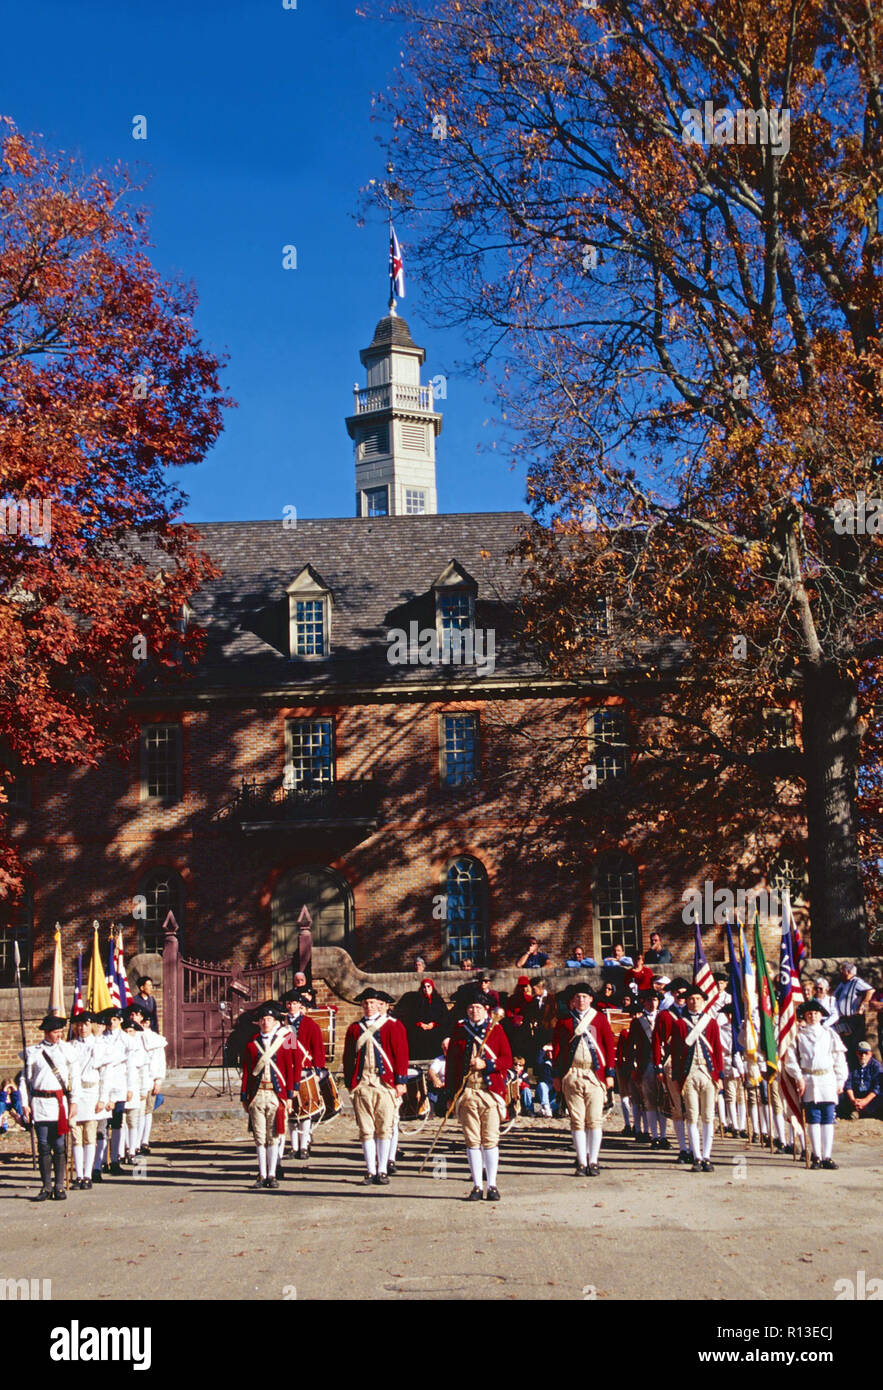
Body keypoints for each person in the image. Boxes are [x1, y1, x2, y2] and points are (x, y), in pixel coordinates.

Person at [445, 990, 513, 1201]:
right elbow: (451, 1065)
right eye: (470, 1008)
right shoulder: (460, 1030)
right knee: (472, 1140)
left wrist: (487, 1064)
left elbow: (507, 1059)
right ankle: (476, 1185)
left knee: (490, 1139)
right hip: (467, 1093)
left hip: (489, 1093)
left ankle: (491, 1185)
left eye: (478, 1008)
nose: (474, 1011)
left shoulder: (496, 1029)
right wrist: (450, 1093)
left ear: (486, 1010)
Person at [343, 988, 408, 1186]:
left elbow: (401, 1055)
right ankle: (370, 1170)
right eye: (365, 1003)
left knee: (384, 1128)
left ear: (379, 1005)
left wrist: (400, 1081)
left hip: (384, 1084)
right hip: (363, 1084)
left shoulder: (393, 1026)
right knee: (366, 1130)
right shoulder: (354, 1029)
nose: (369, 1006)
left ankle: (382, 1170)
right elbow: (348, 1058)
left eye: (372, 1003)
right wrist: (350, 1084)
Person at [553, 982, 616, 1175]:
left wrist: (609, 1074)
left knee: (594, 1120)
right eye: (577, 997)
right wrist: (557, 1075)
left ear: (591, 999)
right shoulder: (564, 1021)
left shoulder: (600, 1019)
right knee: (577, 1120)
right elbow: (557, 1049)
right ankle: (581, 1161)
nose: (581, 1000)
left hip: (594, 1075)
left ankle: (593, 1160)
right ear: (572, 1000)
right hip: (572, 1074)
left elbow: (609, 1046)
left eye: (585, 997)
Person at [783, 998, 848, 1169]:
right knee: (813, 1118)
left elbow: (839, 1058)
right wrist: (798, 1077)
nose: (813, 1016)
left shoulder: (829, 1034)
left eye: (816, 1013)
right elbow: (791, 1060)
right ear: (805, 1015)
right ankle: (816, 1156)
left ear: (821, 1016)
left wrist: (840, 1080)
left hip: (827, 1079)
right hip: (809, 1080)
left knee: (828, 1117)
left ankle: (827, 1156)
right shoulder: (799, 1036)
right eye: (809, 1013)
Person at [21, 1013, 78, 1201]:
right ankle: (46, 1186)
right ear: (46, 1032)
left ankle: (59, 1186)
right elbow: (24, 1081)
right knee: (44, 1146)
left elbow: (74, 1078)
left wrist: (74, 1102)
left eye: (61, 1031)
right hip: (39, 1103)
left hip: (59, 1103)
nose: (59, 1035)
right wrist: (25, 1104)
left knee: (59, 1145)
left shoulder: (67, 1051)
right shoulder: (33, 1053)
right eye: (55, 1032)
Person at [668, 983, 724, 1172]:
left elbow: (717, 1050)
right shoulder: (679, 1024)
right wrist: (676, 1078)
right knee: (692, 1115)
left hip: (708, 1073)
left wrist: (720, 1075)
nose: (694, 1002)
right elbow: (675, 1053)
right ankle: (697, 1157)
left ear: (703, 1001)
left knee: (708, 1116)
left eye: (698, 999)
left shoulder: (711, 1023)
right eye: (691, 999)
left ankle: (707, 1155)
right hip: (688, 1075)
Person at [240, 1001, 296, 1190]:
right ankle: (262, 1174)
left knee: (274, 1136)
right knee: (259, 1137)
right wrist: (244, 1096)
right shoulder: (251, 1044)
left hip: (276, 1094)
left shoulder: (285, 1040)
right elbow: (247, 1072)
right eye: (263, 1019)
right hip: (257, 1095)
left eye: (269, 1019)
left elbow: (290, 1068)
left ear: (275, 1022)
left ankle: (272, 1174)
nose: (266, 1022)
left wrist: (290, 1095)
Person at [279, 987, 327, 1167]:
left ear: (300, 1005)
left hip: (306, 1070)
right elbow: (287, 1050)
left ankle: (304, 1145)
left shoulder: (309, 1024)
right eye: (289, 1003)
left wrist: (318, 1069)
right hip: (289, 1071)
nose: (291, 1006)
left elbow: (318, 1048)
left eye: (295, 1003)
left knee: (306, 1110)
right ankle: (294, 1147)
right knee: (291, 1112)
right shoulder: (283, 1025)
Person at [626, 988, 669, 1149]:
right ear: (644, 1002)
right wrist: (633, 1067)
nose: (652, 1003)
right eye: (649, 1000)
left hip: (664, 1063)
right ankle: (654, 1136)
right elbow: (631, 1046)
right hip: (646, 1064)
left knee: (663, 1101)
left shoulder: (664, 1018)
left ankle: (663, 1136)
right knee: (650, 1101)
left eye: (655, 1000)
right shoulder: (637, 1022)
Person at [94, 1006, 134, 1176]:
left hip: (119, 1081)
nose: (112, 1023)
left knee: (117, 1122)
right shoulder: (101, 1039)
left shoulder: (126, 1039)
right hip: (103, 1083)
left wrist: (130, 1087)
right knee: (103, 1123)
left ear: (120, 1021)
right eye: (110, 1020)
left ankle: (115, 1158)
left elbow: (131, 1066)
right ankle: (102, 1160)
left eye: (115, 1020)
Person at [69, 1012, 101, 1190]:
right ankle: (78, 1175)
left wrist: (104, 1098)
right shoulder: (70, 1046)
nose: (82, 1028)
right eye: (80, 1024)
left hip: (91, 1092)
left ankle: (88, 1174)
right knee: (76, 1136)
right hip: (75, 1093)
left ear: (92, 1026)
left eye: (86, 1024)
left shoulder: (99, 1045)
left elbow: (105, 1074)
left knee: (90, 1135)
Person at [833, 963, 873, 1062]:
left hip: (853, 1018)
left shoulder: (856, 981)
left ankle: (854, 1065)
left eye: (842, 970)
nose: (841, 973)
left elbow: (870, 990)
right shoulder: (842, 983)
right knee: (844, 1044)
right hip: (842, 1019)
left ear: (848, 971)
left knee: (854, 1044)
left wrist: (862, 1004)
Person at [717, 1004, 747, 1137]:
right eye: (727, 1014)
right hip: (729, 1063)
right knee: (730, 1096)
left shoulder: (741, 1028)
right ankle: (734, 1125)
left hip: (743, 1064)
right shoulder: (722, 1030)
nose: (730, 1016)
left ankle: (742, 1126)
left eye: (732, 1014)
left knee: (742, 1097)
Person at [404, 977, 449, 1059]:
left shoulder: (438, 1000)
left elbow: (444, 1017)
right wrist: (420, 1024)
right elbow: (411, 1016)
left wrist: (434, 1024)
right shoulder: (416, 1000)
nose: (426, 989)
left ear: (432, 987)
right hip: (420, 1029)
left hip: (435, 1029)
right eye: (424, 987)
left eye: (428, 986)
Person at [839, 1040, 883, 1120]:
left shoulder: (876, 1066)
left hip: (869, 1096)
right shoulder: (851, 1064)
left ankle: (861, 1112)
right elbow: (848, 1084)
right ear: (857, 1053)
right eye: (860, 1053)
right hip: (855, 1095)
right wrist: (853, 1100)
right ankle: (855, 1110)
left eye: (866, 1053)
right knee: (840, 1094)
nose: (863, 1056)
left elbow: (877, 1087)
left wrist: (865, 1101)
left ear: (870, 1054)